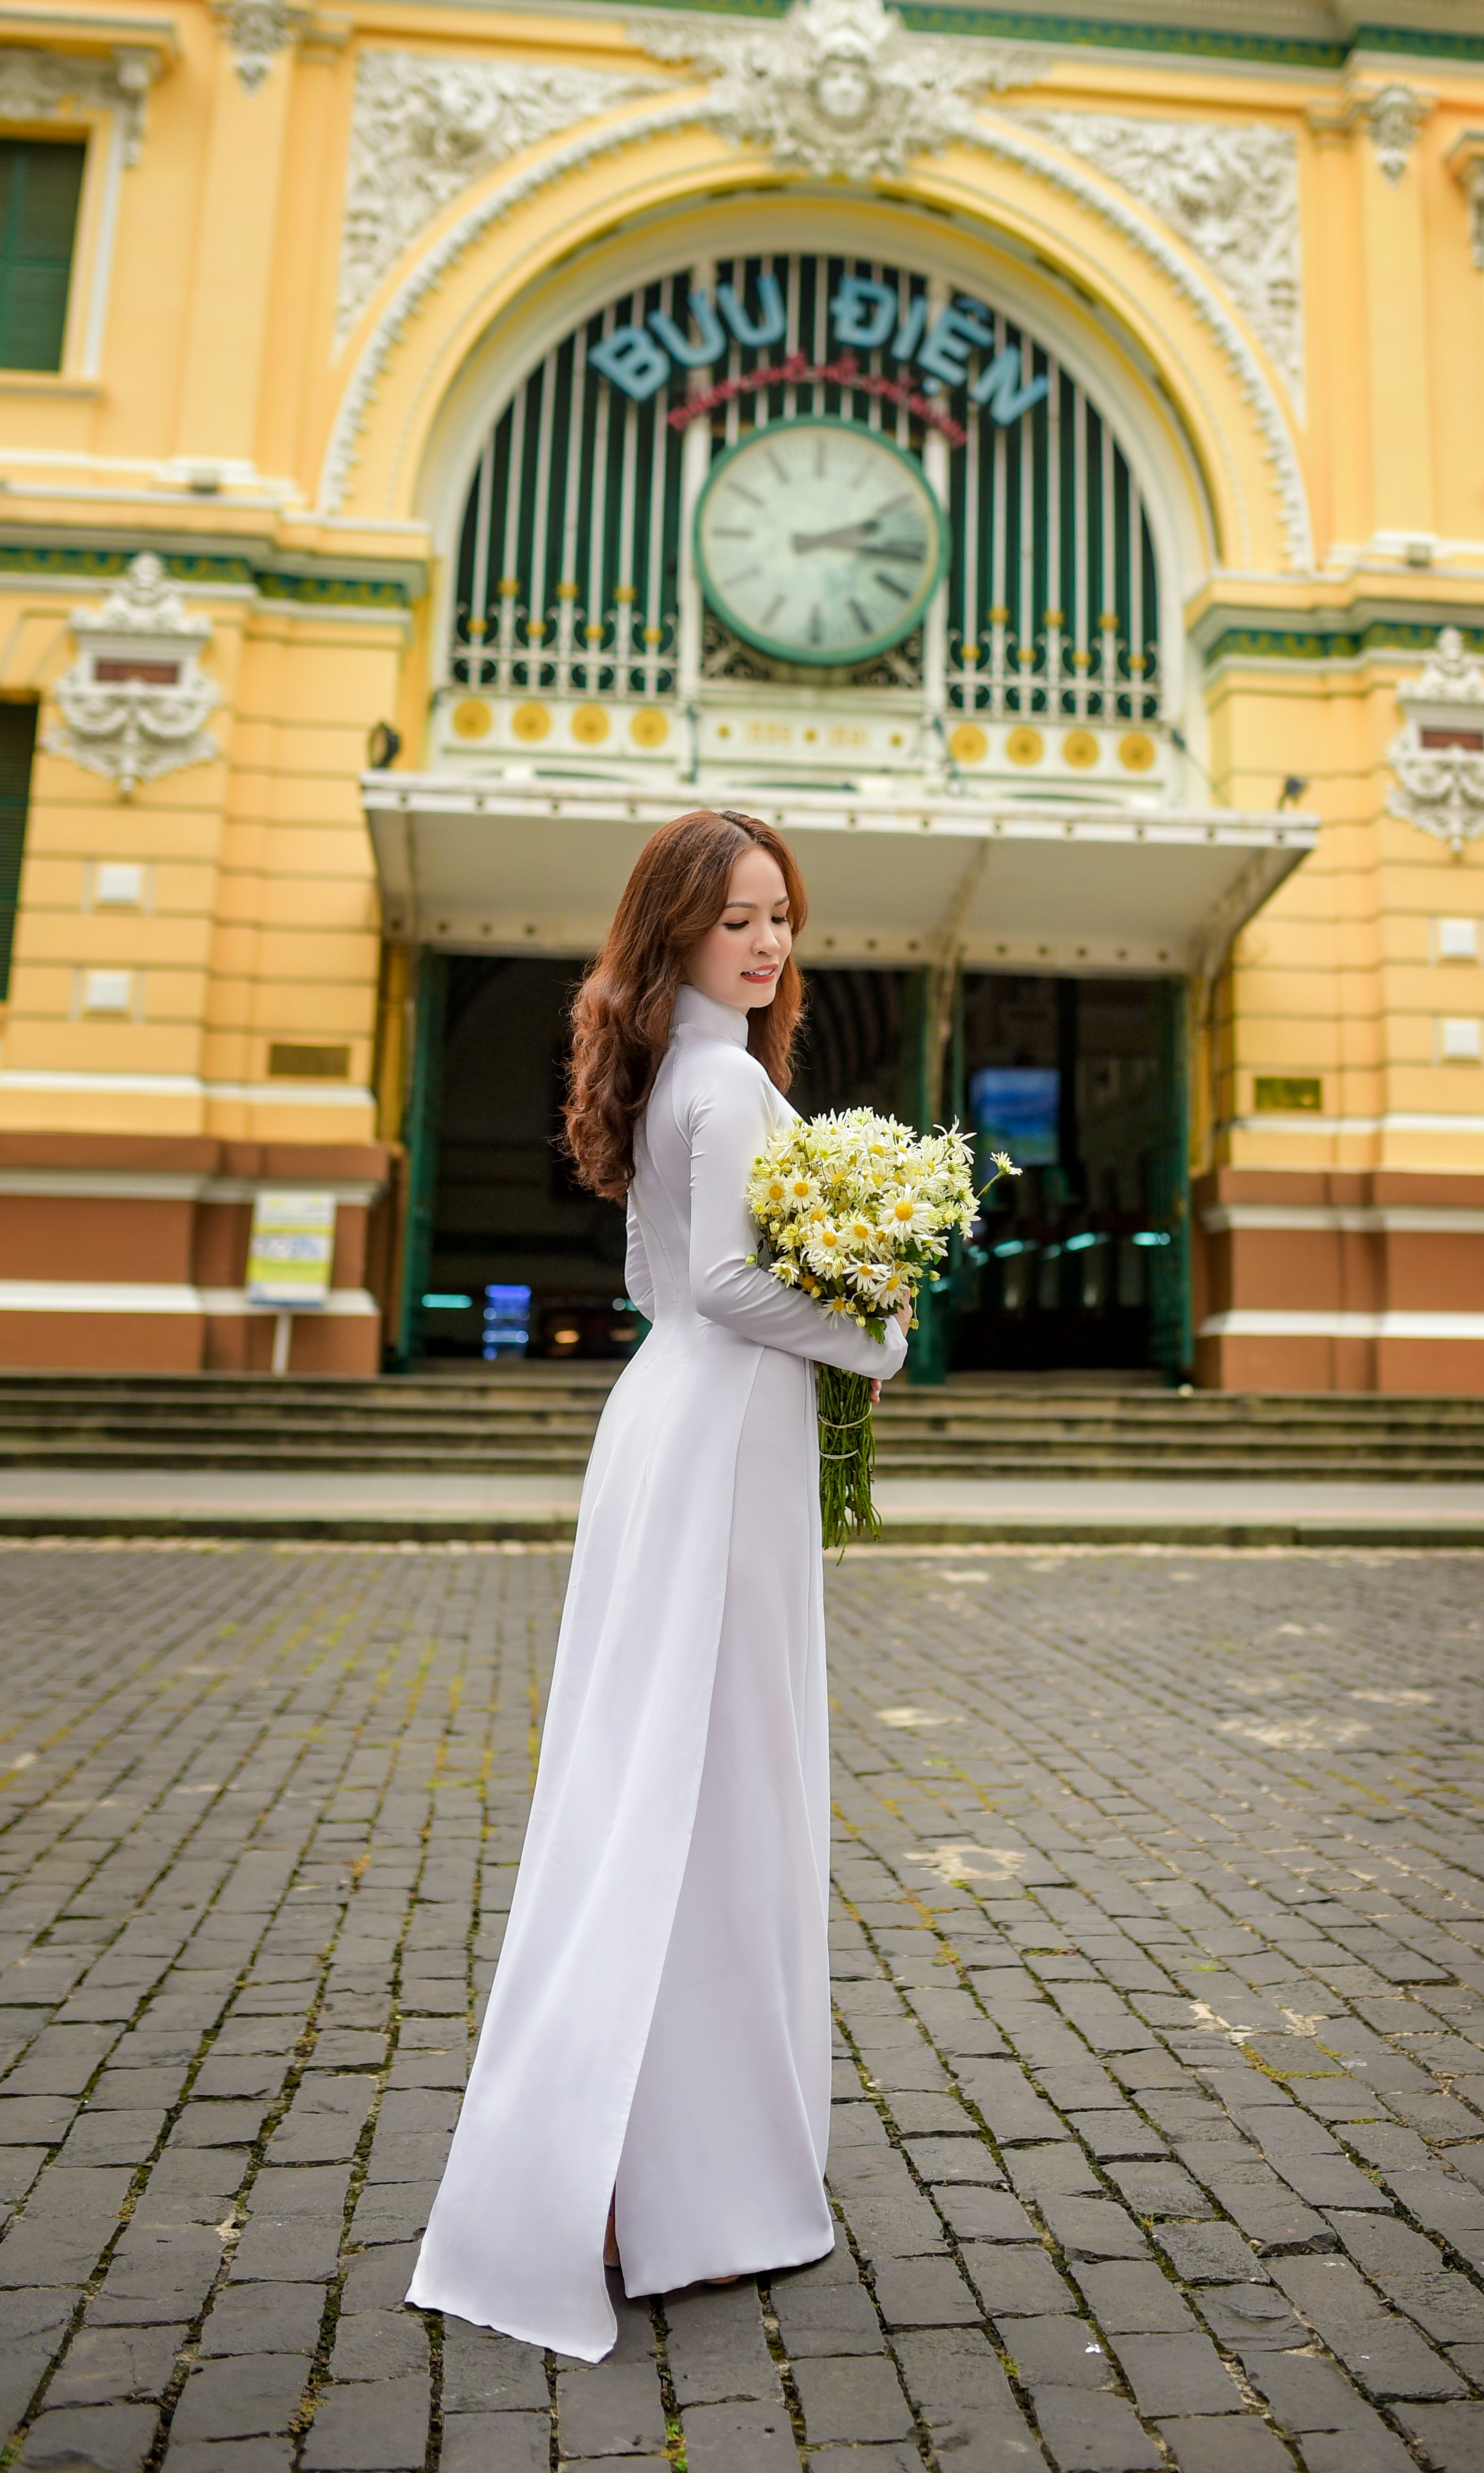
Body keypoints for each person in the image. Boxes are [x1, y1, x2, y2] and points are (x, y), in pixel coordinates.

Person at [406, 807, 907, 2362]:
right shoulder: (732, 1088)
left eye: (782, 918)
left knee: (658, 1772)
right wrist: (873, 1328)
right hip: (717, 1444)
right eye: (739, 918)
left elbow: (649, 1287)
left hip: (670, 1427)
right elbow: (718, 1285)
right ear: (679, 927)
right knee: (717, 1782)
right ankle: (670, 2186)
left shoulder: (668, 1076)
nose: (768, 944)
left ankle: (637, 2166)